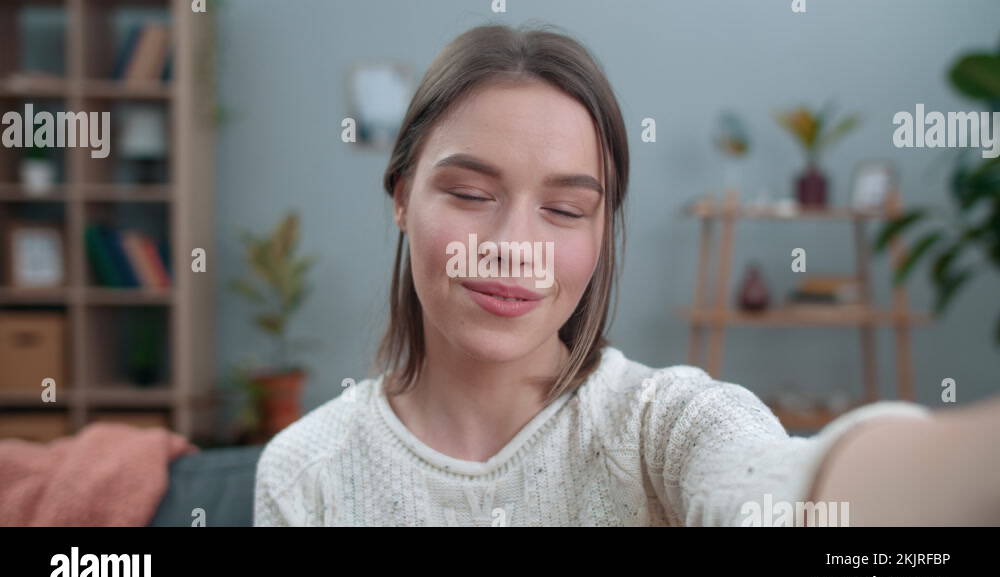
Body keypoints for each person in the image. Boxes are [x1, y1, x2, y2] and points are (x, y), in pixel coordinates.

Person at [254, 23, 999, 527]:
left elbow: (782, 486)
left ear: (603, 230)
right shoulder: (306, 474)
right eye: (472, 195)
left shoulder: (661, 425)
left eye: (567, 209)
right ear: (400, 197)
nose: (517, 246)